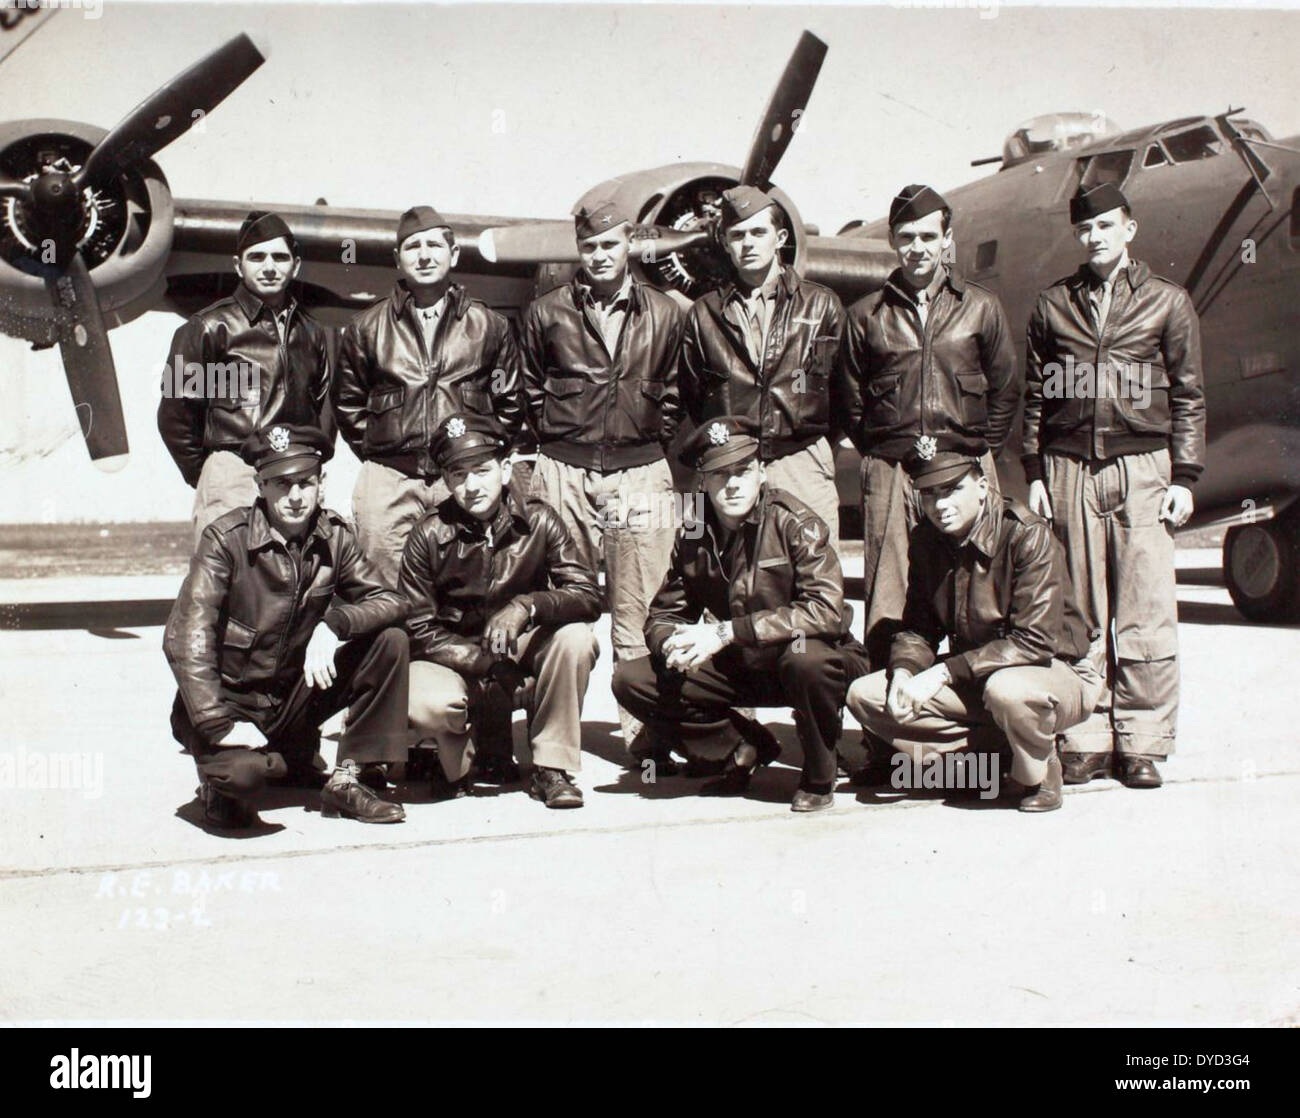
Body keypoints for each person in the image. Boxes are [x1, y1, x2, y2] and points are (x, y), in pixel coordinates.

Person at [1022, 182, 1205, 789]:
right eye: (1085, 228)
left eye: (1105, 225)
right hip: (1069, 467)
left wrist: (1185, 476)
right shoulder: (1053, 305)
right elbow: (1036, 397)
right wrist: (1035, 472)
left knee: (1145, 607)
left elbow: (1189, 395)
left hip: (1142, 467)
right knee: (1079, 607)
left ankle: (1143, 740)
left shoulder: (1168, 302)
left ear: (1130, 229)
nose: (1094, 237)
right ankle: (1085, 736)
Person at [613, 416, 868, 812]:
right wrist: (672, 645)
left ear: (761, 472)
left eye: (742, 471)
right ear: (703, 481)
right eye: (719, 474)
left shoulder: (794, 521)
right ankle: (742, 746)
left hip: (814, 658)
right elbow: (663, 615)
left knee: (806, 659)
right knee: (633, 679)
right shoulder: (696, 531)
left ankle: (820, 773)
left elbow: (826, 611)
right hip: (746, 661)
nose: (732, 484)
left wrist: (728, 632)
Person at [163, 425, 411, 829]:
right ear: (260, 485)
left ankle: (348, 779)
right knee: (244, 782)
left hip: (290, 699)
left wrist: (335, 623)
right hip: (231, 701)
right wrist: (216, 723)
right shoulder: (226, 540)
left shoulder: (335, 537)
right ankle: (232, 779)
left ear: (321, 484)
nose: (295, 496)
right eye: (281, 483)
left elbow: (391, 601)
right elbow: (186, 638)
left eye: (305, 483)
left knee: (390, 641)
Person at [845, 442, 1103, 812]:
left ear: (982, 487)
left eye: (952, 490)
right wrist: (904, 671)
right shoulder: (927, 539)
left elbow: (1036, 640)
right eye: (929, 494)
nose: (940, 505)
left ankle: (1040, 769)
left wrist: (942, 673)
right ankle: (989, 764)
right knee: (866, 695)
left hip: (1056, 671)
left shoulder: (1026, 534)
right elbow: (919, 627)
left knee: (1008, 691)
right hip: (977, 673)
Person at [519, 200, 685, 767]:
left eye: (610, 244)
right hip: (562, 470)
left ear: (630, 244)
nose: (599, 255)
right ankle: (553, 748)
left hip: (640, 472)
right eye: (588, 246)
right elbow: (529, 388)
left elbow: (676, 393)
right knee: (561, 604)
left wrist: (640, 445)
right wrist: (564, 442)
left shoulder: (666, 313)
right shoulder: (546, 312)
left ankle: (646, 742)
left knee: (642, 606)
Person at [834, 183, 1018, 671]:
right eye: (906, 237)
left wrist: (978, 452)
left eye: (928, 237)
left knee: (979, 581)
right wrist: (883, 453)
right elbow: (849, 400)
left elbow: (1005, 390)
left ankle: (977, 700)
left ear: (947, 240)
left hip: (964, 466)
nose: (917, 248)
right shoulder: (866, 315)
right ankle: (886, 703)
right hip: (893, 469)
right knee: (888, 590)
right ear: (893, 241)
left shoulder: (982, 307)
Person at [402, 413, 602, 808]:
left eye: (482, 471)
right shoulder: (427, 533)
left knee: (576, 639)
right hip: (455, 658)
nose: (471, 486)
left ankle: (551, 767)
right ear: (446, 481)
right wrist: (486, 664)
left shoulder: (540, 520)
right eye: (458, 475)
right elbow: (416, 626)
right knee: (425, 700)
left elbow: (587, 594)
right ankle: (458, 760)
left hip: (519, 648)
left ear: (506, 469)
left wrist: (527, 605)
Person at [333, 205, 526, 588]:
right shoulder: (365, 328)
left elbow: (509, 401)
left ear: (453, 254)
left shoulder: (490, 326)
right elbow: (347, 404)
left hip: (460, 479)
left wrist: (473, 460)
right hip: (389, 480)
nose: (424, 255)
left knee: (466, 587)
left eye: (434, 246)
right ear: (397, 258)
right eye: (413, 247)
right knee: (384, 590)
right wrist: (385, 450)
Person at [679, 185, 845, 554]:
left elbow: (842, 393)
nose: (748, 244)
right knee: (729, 569)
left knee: (816, 568)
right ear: (725, 243)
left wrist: (803, 436)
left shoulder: (822, 306)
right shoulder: (703, 314)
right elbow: (692, 394)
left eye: (758, 232)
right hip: (731, 463)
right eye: (737, 235)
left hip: (800, 460)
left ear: (780, 238)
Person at [158, 211, 335, 546]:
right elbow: (175, 415)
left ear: (296, 266)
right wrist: (213, 471)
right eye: (257, 257)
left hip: (293, 476)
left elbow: (323, 407)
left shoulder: (312, 333)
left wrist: (307, 467)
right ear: (238, 266)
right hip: (234, 473)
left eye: (280, 257)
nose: (269, 267)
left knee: (296, 571)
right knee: (224, 571)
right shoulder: (209, 328)